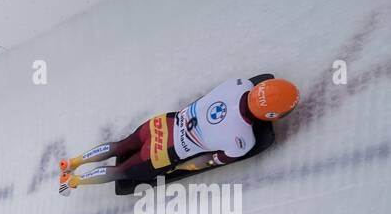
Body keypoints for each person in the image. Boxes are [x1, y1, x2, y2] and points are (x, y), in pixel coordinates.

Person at [59, 75, 299, 194]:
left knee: (121, 146)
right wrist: (179, 169)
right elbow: (204, 162)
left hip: (161, 124)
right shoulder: (242, 140)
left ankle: (72, 162)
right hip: (165, 152)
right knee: (121, 172)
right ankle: (73, 181)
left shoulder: (239, 85)